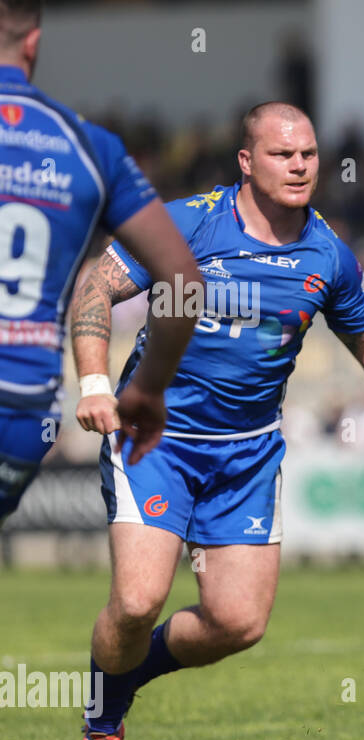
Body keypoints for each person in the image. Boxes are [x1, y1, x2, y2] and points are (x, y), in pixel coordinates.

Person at [75, 102, 364, 740]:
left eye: (309, 154)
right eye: (282, 154)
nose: (298, 166)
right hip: (156, 437)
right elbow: (93, 286)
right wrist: (91, 382)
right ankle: (102, 725)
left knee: (238, 622)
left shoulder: (327, 253)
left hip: (249, 453)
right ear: (246, 162)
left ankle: (128, 670)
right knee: (138, 602)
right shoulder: (187, 222)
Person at [0, 0, 199, 528]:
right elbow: (182, 278)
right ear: (34, 43)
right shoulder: (89, 146)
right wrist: (149, 387)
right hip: (21, 409)